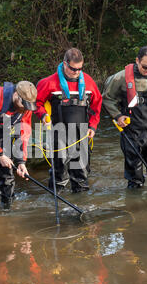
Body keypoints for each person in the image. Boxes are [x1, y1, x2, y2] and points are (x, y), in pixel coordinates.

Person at [102, 46, 147, 189]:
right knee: (135, 179)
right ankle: (135, 208)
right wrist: (118, 116)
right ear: (137, 61)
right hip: (130, 133)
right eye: (145, 67)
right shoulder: (120, 78)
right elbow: (107, 99)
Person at [35, 48, 102, 193]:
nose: (77, 72)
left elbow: (97, 106)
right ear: (65, 64)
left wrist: (93, 126)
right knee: (58, 176)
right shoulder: (49, 83)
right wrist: (43, 116)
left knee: (81, 177)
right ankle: (56, 204)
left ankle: (81, 205)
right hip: (58, 134)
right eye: (73, 69)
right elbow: (37, 103)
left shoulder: (89, 82)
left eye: (80, 69)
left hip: (81, 135)